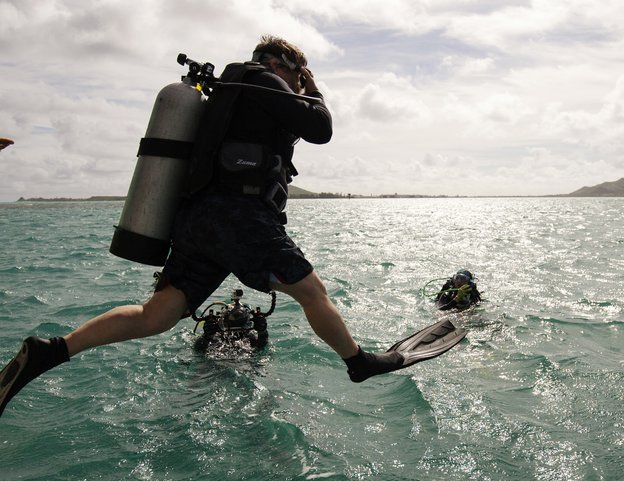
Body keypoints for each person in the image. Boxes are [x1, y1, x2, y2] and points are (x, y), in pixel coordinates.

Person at [0, 36, 403, 418]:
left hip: (197, 219)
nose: (300, 84)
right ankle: (357, 362)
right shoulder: (264, 81)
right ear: (281, 64)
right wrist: (311, 90)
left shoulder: (228, 96)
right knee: (312, 291)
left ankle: (52, 350)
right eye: (299, 75)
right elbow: (321, 129)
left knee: (154, 315)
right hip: (240, 216)